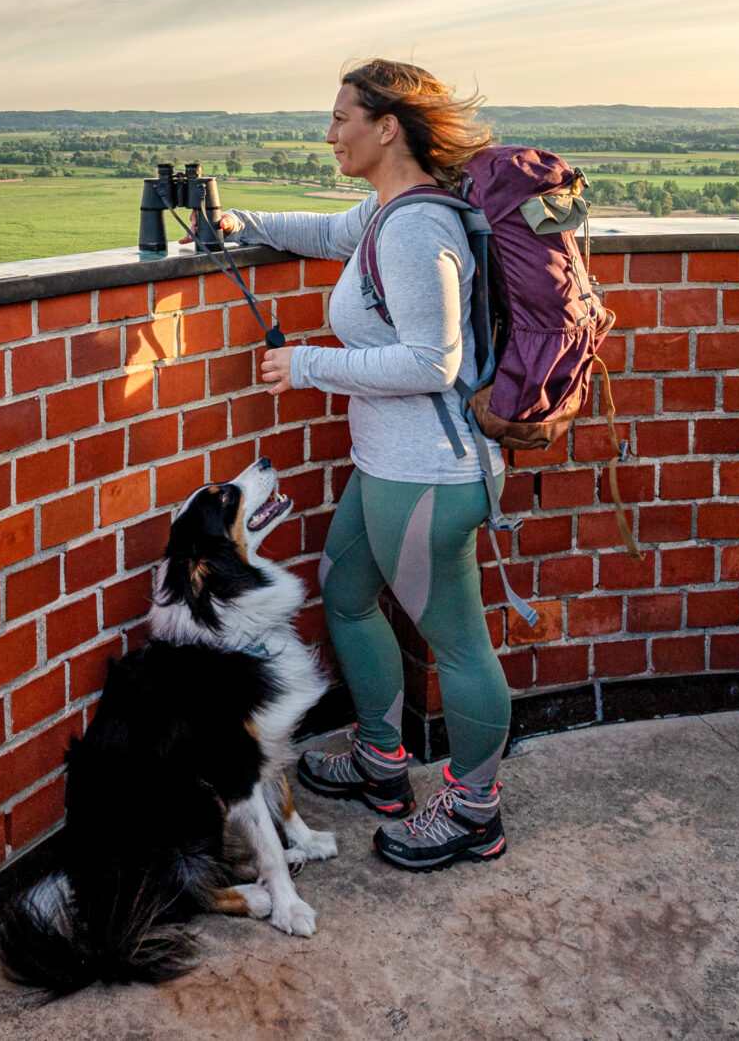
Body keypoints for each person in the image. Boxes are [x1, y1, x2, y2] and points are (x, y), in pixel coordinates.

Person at [215, 58, 512, 871]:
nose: (331, 130)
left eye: (344, 116)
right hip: (389, 465)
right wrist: (243, 221)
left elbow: (431, 359)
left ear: (388, 127)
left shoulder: (418, 228)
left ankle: (474, 809)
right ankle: (384, 760)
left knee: (457, 642)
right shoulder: (387, 211)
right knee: (346, 591)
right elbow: (326, 235)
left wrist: (309, 364)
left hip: (432, 472)